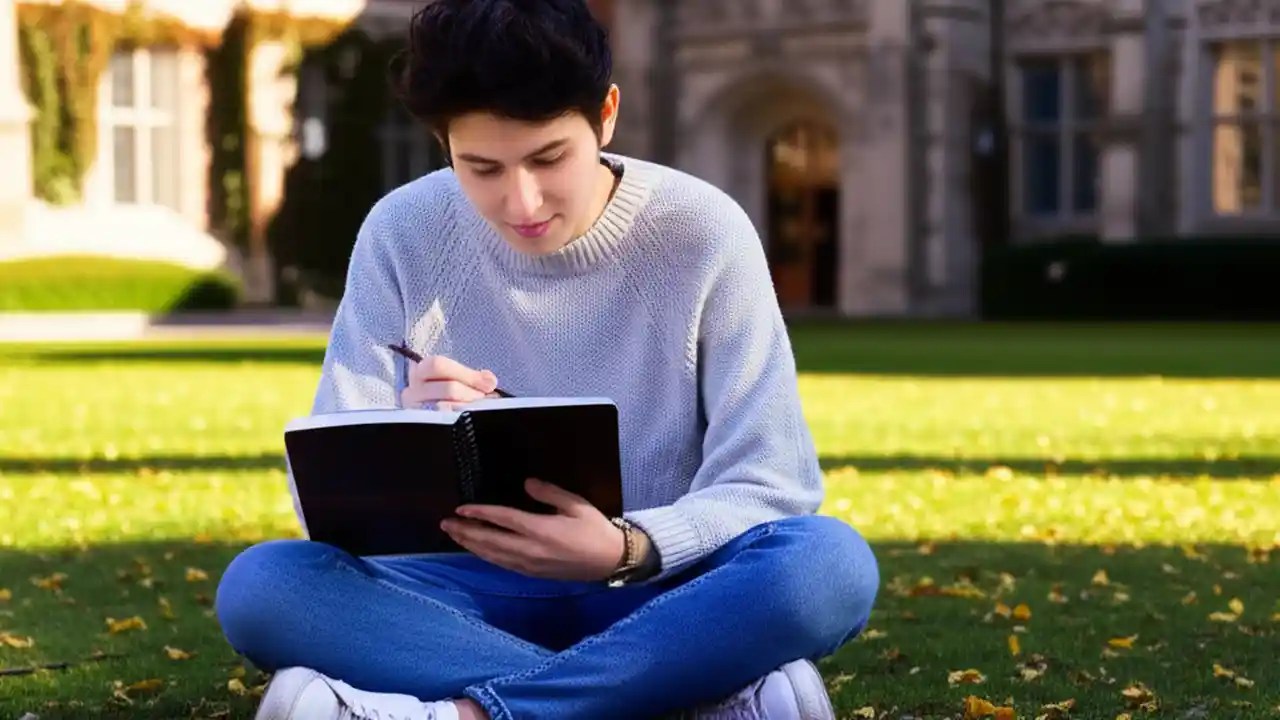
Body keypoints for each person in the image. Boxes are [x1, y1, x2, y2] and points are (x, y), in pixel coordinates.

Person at [213, 1, 879, 718]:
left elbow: (772, 482)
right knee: (264, 585)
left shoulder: (703, 232)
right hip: (457, 596)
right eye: (482, 168)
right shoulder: (403, 231)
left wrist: (626, 549)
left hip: (663, 594)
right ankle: (693, 698)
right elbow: (326, 495)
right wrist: (399, 432)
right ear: (445, 146)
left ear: (606, 116)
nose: (520, 200)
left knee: (827, 565)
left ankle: (469, 712)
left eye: (548, 158)